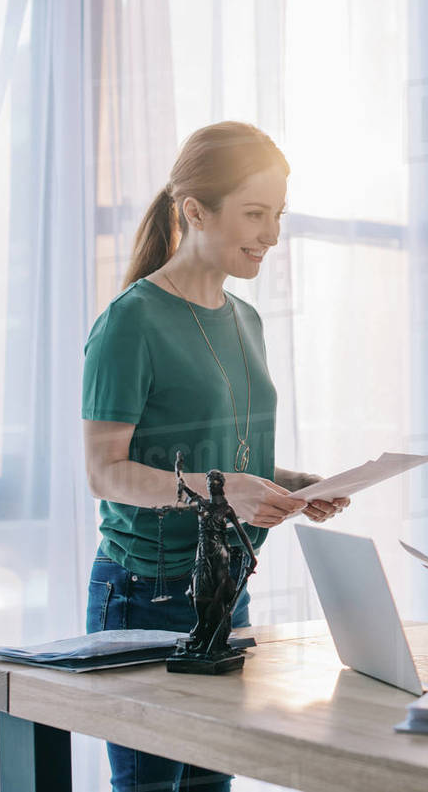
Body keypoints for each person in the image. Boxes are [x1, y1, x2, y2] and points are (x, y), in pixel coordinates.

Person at [82, 121, 349, 792]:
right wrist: (229, 488)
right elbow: (105, 472)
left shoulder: (246, 319)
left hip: (226, 591)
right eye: (255, 214)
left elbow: (221, 453)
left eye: (279, 214)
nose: (272, 234)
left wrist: (290, 483)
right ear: (195, 211)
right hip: (145, 593)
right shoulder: (130, 322)